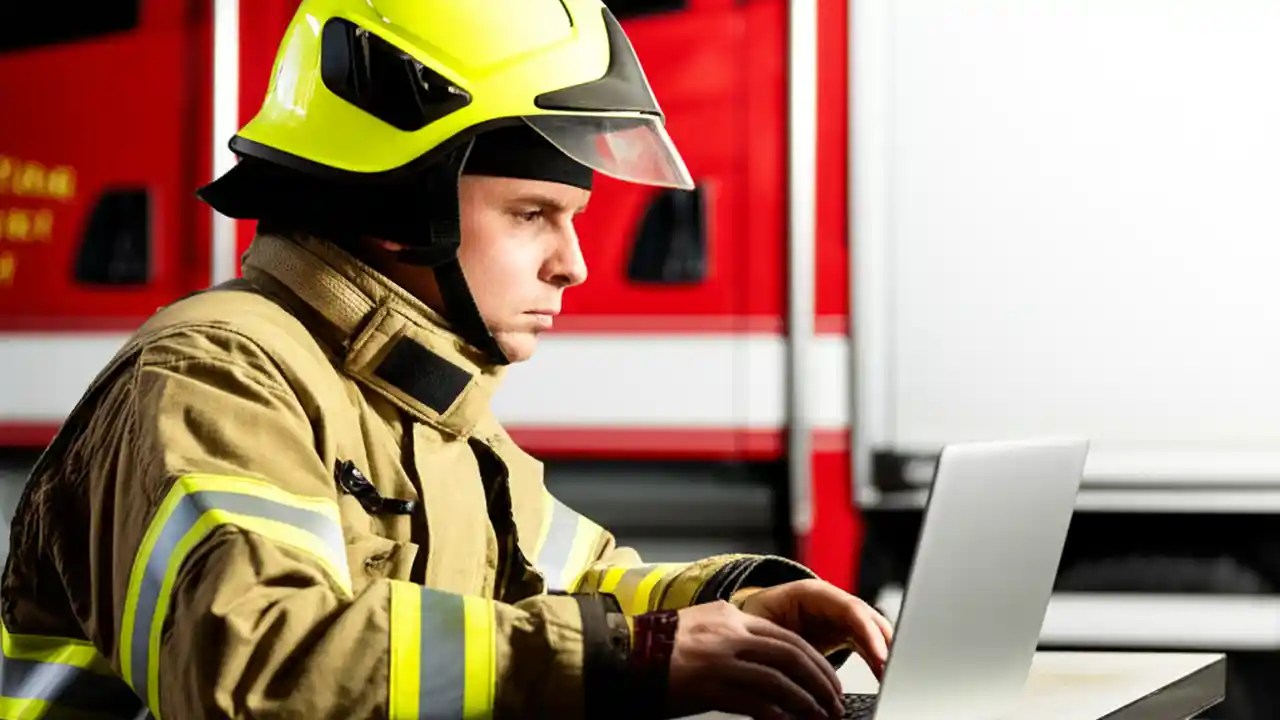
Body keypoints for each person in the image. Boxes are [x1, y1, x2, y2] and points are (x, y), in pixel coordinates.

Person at [0, 1, 893, 718]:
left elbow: (574, 585)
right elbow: (251, 667)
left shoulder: (420, 401)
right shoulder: (218, 377)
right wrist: (631, 661)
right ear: (397, 206)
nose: (572, 263)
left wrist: (733, 605)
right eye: (532, 214)